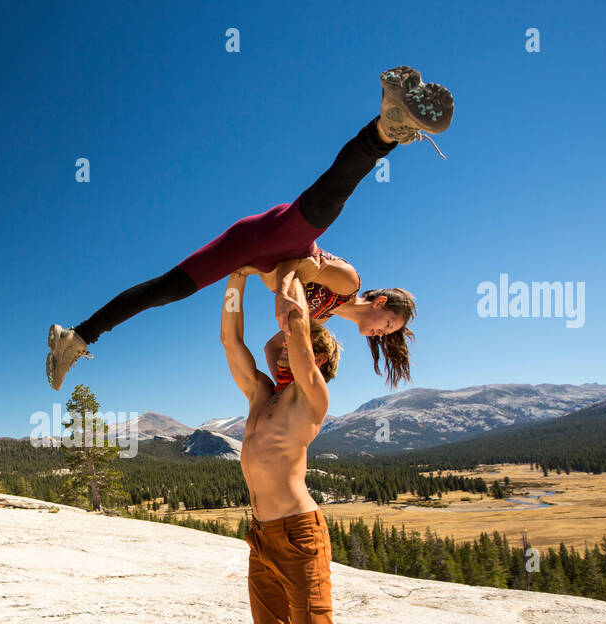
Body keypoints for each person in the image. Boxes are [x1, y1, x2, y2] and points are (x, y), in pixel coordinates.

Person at [47, 65, 451, 392]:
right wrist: (284, 295)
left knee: (169, 289)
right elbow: (296, 267)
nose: (382, 334)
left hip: (249, 252)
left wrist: (308, 362)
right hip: (281, 236)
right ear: (379, 303)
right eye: (389, 324)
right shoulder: (349, 282)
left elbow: (274, 346)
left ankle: (77, 337)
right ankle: (386, 128)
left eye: (388, 333)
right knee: (333, 194)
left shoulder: (322, 322)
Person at [219, 266, 394, 624]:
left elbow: (295, 326)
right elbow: (231, 340)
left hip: (299, 534)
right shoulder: (260, 396)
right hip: (262, 537)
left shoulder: (310, 396)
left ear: (315, 357)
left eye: (286, 348)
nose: (274, 353)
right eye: (272, 349)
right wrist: (236, 275)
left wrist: (292, 270)